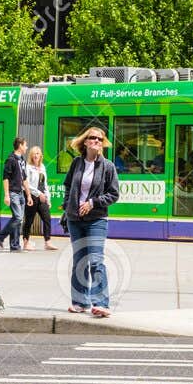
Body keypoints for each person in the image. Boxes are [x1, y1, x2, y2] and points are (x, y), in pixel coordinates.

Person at [62, 126, 120, 317]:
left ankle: (101, 303)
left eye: (100, 139)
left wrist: (93, 203)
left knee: (95, 261)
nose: (97, 141)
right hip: (75, 219)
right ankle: (80, 302)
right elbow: (68, 185)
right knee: (79, 261)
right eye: (93, 138)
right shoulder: (76, 163)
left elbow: (114, 194)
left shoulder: (108, 166)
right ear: (85, 141)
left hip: (96, 220)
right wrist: (67, 206)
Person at [0, 136, 27, 252]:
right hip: (13, 193)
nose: (26, 147)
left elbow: (24, 178)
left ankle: (15, 246)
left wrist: (28, 195)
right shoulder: (11, 160)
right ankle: (0, 236)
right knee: (18, 217)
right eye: (25, 145)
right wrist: (7, 195)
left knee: (18, 220)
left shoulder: (22, 160)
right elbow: (5, 178)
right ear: (20, 146)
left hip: (21, 193)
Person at [22, 145, 56, 251]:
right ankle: (26, 242)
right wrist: (38, 194)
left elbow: (44, 184)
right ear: (31, 156)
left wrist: (48, 199)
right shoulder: (27, 167)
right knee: (29, 220)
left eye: (37, 153)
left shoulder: (42, 167)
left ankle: (47, 242)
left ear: (41, 155)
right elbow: (26, 184)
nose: (36, 155)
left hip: (42, 197)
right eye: (33, 153)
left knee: (47, 218)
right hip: (31, 196)